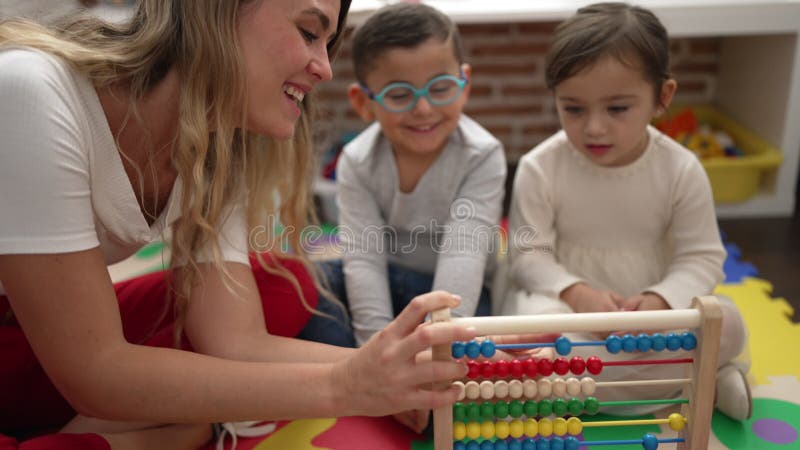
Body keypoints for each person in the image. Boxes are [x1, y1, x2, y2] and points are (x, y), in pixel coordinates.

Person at [0, 1, 480, 449]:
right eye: (309, 32)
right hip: (36, 356)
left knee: (279, 284)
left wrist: (405, 371)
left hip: (43, 347)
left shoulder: (215, 143)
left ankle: (154, 426)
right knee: (156, 395)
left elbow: (235, 343)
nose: (324, 67)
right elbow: (95, 371)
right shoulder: (30, 90)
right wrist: (345, 386)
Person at [499, 2, 752, 420]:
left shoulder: (681, 168)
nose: (594, 127)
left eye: (617, 108)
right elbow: (529, 256)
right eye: (573, 108)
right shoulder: (539, 167)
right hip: (569, 311)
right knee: (533, 338)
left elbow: (702, 257)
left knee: (727, 321)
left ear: (661, 97)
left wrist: (659, 301)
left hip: (654, 320)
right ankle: (695, 382)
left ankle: (576, 390)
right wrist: (578, 294)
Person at [299, 2, 506, 349]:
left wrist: (439, 344)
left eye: (440, 88)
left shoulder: (482, 155)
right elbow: (364, 260)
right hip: (386, 279)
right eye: (399, 95)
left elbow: (463, 256)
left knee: (479, 338)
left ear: (464, 84)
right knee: (311, 286)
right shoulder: (358, 161)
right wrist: (378, 350)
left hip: (456, 294)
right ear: (364, 102)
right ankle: (350, 375)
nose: (423, 108)